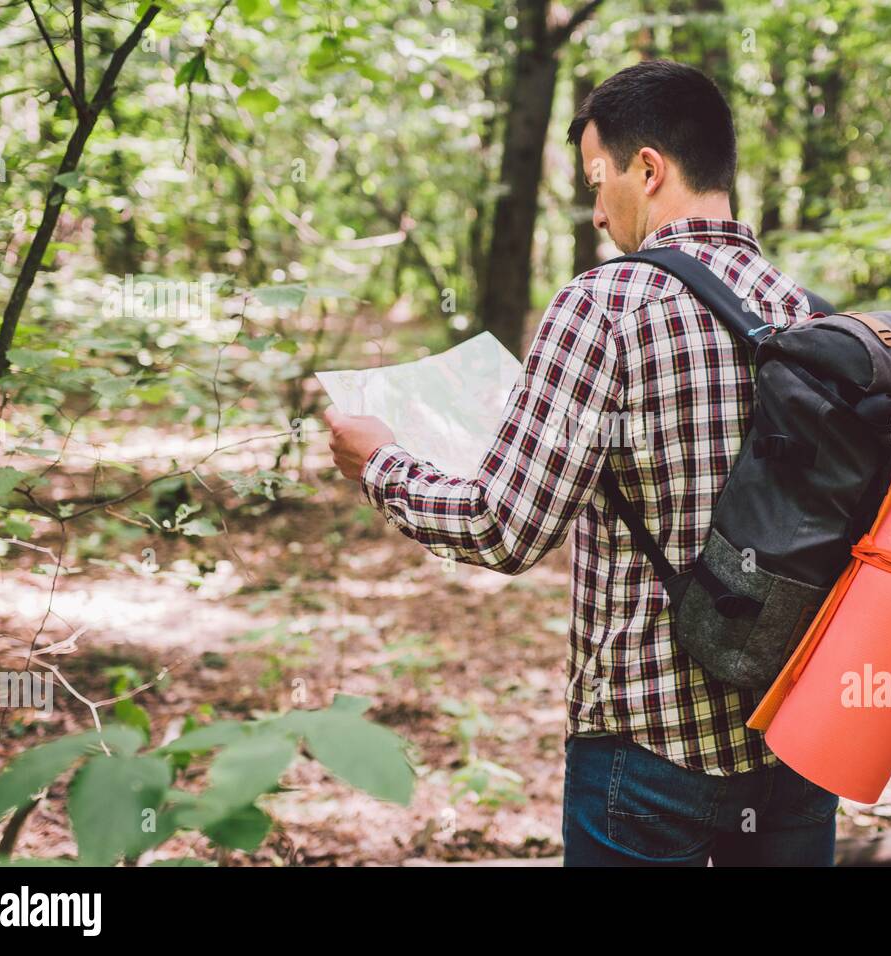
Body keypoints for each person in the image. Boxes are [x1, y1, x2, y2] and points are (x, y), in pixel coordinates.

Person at [326, 59, 840, 867]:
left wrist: (382, 464)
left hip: (649, 744)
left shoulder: (603, 306)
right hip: (799, 740)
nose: (597, 213)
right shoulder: (811, 315)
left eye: (598, 181)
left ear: (649, 169)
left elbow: (503, 528)